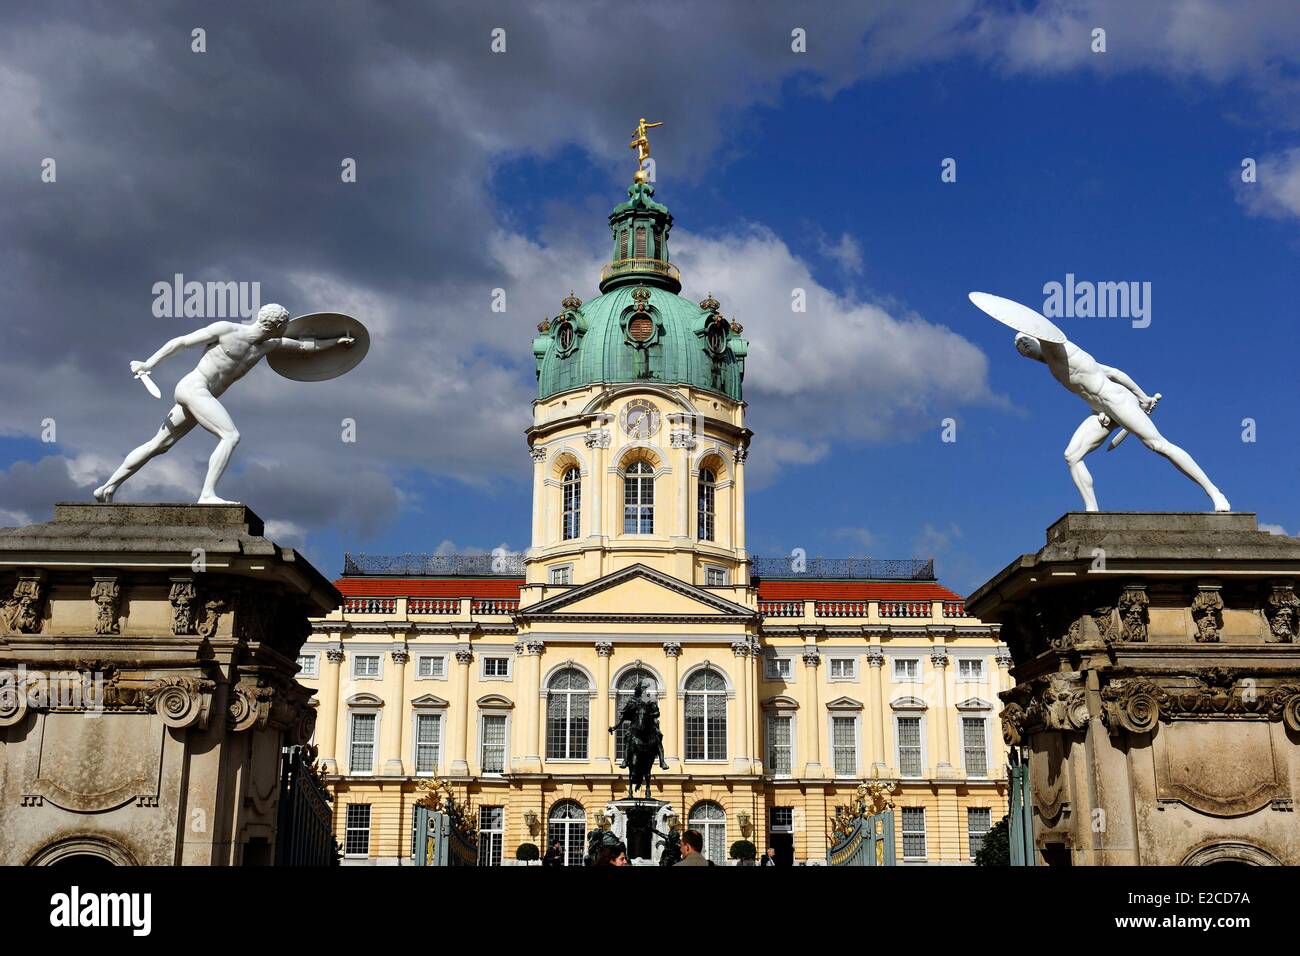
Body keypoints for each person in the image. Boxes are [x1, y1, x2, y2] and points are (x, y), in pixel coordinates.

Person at [93, 303, 354, 504]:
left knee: (159, 445)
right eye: (285, 326)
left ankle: (107, 487)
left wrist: (338, 342)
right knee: (230, 436)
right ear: (278, 326)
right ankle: (207, 495)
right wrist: (148, 363)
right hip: (194, 388)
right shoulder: (227, 329)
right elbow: (181, 342)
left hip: (202, 396)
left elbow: (307, 347)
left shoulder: (269, 345)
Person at [1012, 331, 1229, 512]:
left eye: (1024, 342)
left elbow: (1111, 378)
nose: (1023, 349)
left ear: (1037, 339)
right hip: (1101, 412)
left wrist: (1142, 397)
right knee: (1072, 456)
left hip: (1116, 400)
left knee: (1157, 444)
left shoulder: (1060, 348)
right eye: (1020, 350)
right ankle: (1092, 511)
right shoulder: (1053, 367)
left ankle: (1213, 491)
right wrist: (1135, 398)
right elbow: (1111, 372)